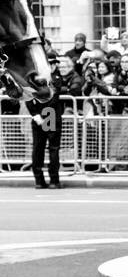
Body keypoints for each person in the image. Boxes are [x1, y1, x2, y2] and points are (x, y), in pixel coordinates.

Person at [27, 57, 77, 189]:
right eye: (52, 63)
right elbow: (51, 98)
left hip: (45, 114)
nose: (54, 66)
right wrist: (36, 114)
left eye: (54, 63)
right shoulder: (54, 78)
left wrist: (36, 114)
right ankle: (49, 180)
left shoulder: (36, 78)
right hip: (50, 114)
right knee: (47, 149)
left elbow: (28, 96)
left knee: (42, 148)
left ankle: (45, 180)